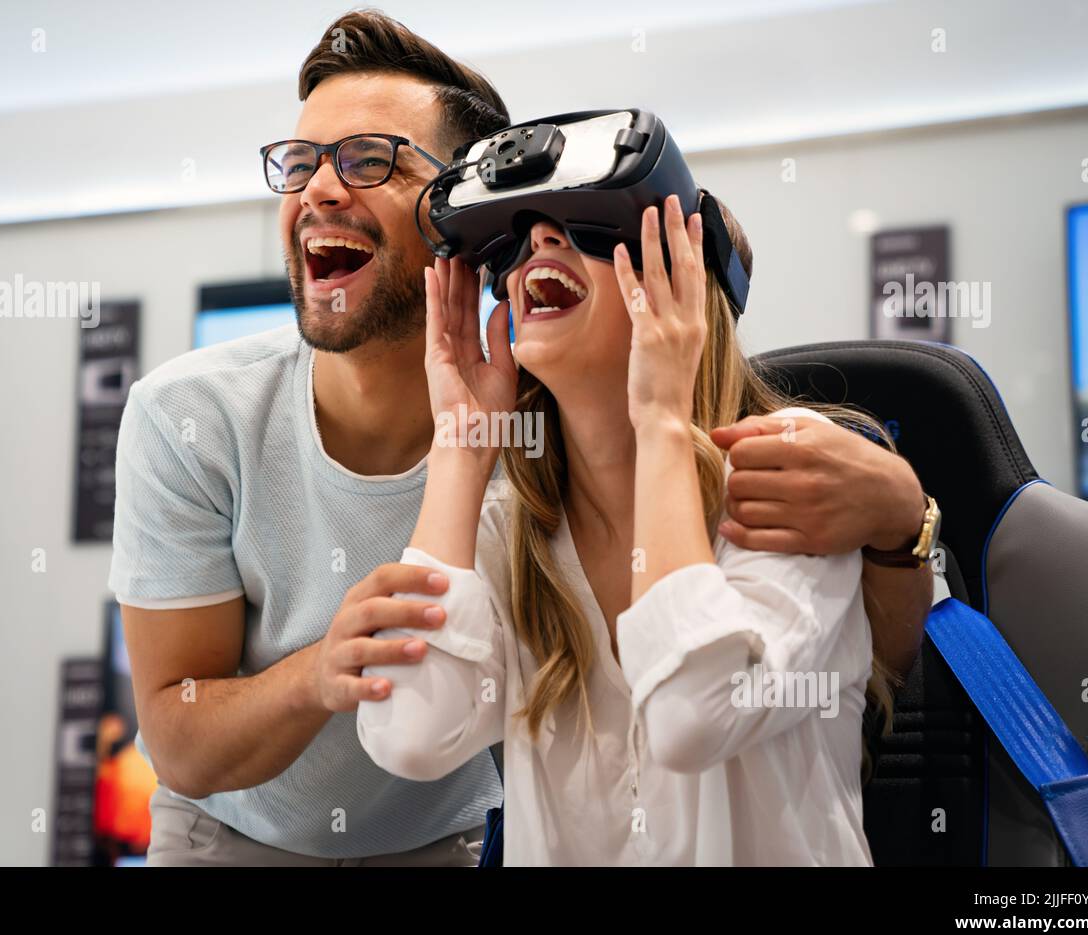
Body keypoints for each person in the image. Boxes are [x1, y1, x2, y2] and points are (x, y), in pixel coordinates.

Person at [110, 11, 932, 866]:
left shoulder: (778, 471)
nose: (319, 188)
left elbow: (728, 702)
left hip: (440, 840)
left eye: (368, 159)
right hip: (233, 831)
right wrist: (465, 445)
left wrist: (901, 513)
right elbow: (406, 730)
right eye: (302, 161)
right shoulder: (510, 513)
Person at [357, 188, 894, 865]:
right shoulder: (512, 530)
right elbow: (407, 733)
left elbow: (693, 713)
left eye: (586, 227)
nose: (539, 244)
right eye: (521, 240)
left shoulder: (792, 472)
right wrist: (460, 446)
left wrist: (664, 419)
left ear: (686, 292)